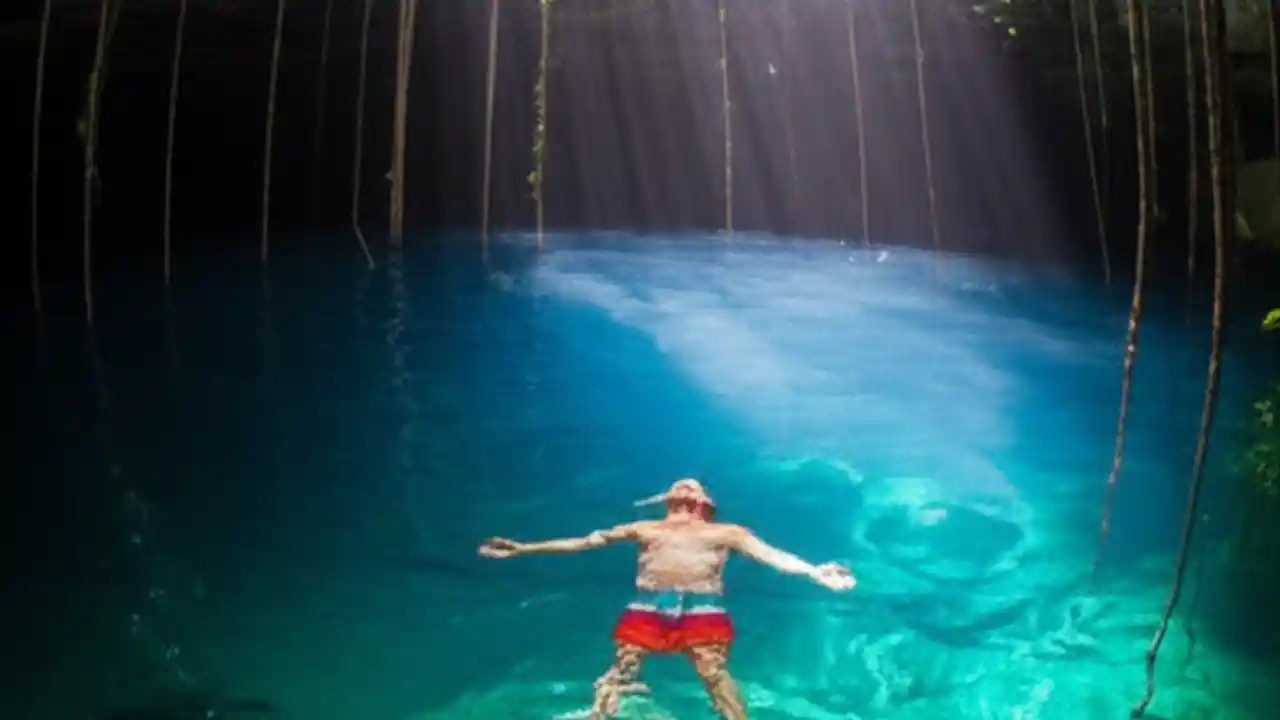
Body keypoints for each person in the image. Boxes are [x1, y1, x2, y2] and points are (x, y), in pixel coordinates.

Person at [477, 478, 856, 719]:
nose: (688, 487)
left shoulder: (727, 532)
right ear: (667, 498)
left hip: (702, 607)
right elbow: (583, 542)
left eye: (695, 487)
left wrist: (813, 571)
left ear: (706, 502)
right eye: (681, 485)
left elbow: (772, 555)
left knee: (713, 674)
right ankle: (597, 715)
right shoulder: (645, 527)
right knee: (622, 669)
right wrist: (524, 548)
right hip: (648, 605)